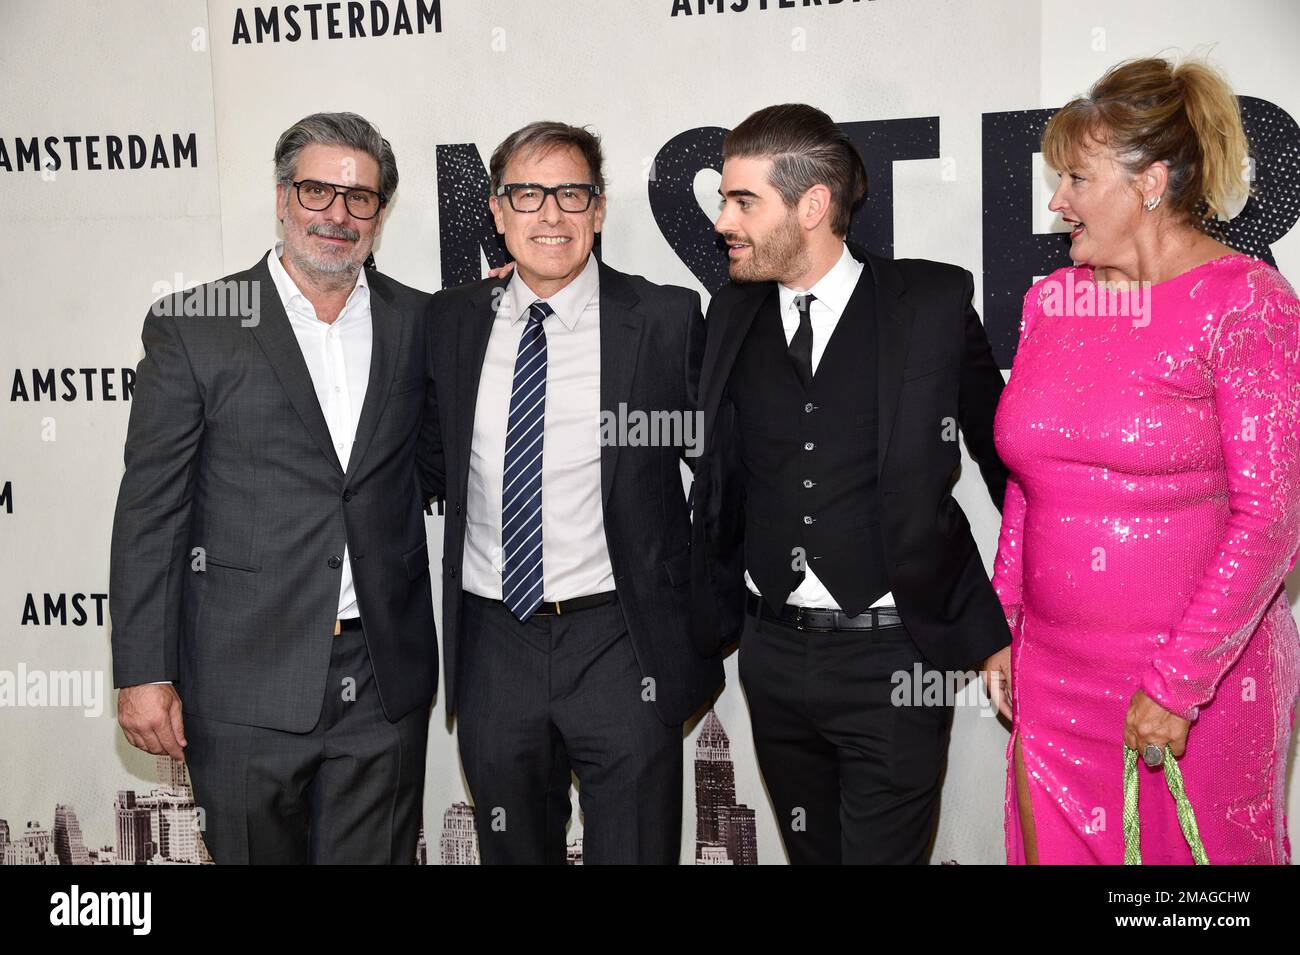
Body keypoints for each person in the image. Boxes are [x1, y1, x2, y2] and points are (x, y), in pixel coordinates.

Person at [989, 56, 1300, 864]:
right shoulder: (1051, 301)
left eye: (1076, 179)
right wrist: (1004, 622)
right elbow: (1029, 481)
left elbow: (1273, 515)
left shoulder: (1248, 302)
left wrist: (1177, 686)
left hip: (1198, 688)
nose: (1056, 202)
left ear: (1151, 182)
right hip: (1050, 681)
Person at [110, 112, 442, 864]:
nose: (337, 213)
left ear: (380, 215)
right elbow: (150, 515)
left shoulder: (419, 321)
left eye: (360, 198)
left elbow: (443, 461)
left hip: (381, 679)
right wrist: (143, 672)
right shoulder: (194, 324)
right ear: (283, 197)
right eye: (317, 189)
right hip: (241, 681)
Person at [690, 103, 1012, 864]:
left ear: (812, 206)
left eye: (743, 201)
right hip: (771, 656)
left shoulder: (931, 306)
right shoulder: (729, 310)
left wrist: (1021, 615)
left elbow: (1005, 463)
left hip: (897, 660)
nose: (722, 222)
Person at [423, 121, 723, 864]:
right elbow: (427, 462)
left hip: (622, 642)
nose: (549, 215)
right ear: (496, 211)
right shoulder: (450, 321)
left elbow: (722, 475)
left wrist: (702, 612)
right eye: (527, 194)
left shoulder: (663, 318)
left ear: (598, 208)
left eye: (571, 193)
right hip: (495, 642)